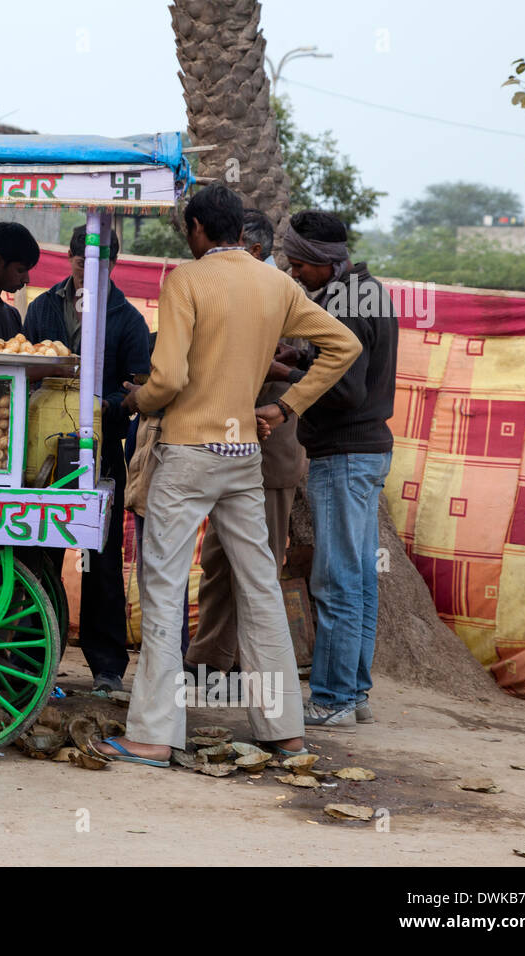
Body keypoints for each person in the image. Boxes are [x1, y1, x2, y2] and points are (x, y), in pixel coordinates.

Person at [94, 183, 361, 767]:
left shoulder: (185, 281)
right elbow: (343, 345)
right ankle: (285, 729)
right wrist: (286, 406)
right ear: (240, 230)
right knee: (260, 590)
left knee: (164, 590)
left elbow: (167, 380)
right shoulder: (277, 283)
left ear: (196, 230)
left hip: (188, 453)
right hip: (243, 454)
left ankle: (152, 736)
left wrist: (137, 400)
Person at [275, 210, 399, 731]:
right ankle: (355, 692)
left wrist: (286, 372)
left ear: (327, 264)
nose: (295, 273)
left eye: (301, 265)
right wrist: (302, 358)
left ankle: (332, 698)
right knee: (359, 578)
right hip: (367, 452)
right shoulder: (369, 291)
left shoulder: (344, 305)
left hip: (344, 455)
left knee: (337, 579)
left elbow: (344, 391)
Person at [24, 225, 150, 693]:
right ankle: (33, 660)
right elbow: (26, 368)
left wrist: (103, 405)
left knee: (100, 557)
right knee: (38, 551)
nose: (85, 271)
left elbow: (139, 388)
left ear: (113, 265)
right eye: (79, 261)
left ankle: (107, 668)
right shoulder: (41, 308)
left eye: (96, 264)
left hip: (102, 453)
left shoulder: (128, 319)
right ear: (70, 259)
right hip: (42, 450)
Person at [186, 209, 308, 680]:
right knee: (220, 560)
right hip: (233, 447)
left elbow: (299, 366)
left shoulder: (280, 293)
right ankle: (211, 658)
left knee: (257, 568)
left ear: (252, 250)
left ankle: (245, 666)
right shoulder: (255, 287)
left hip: (270, 452)